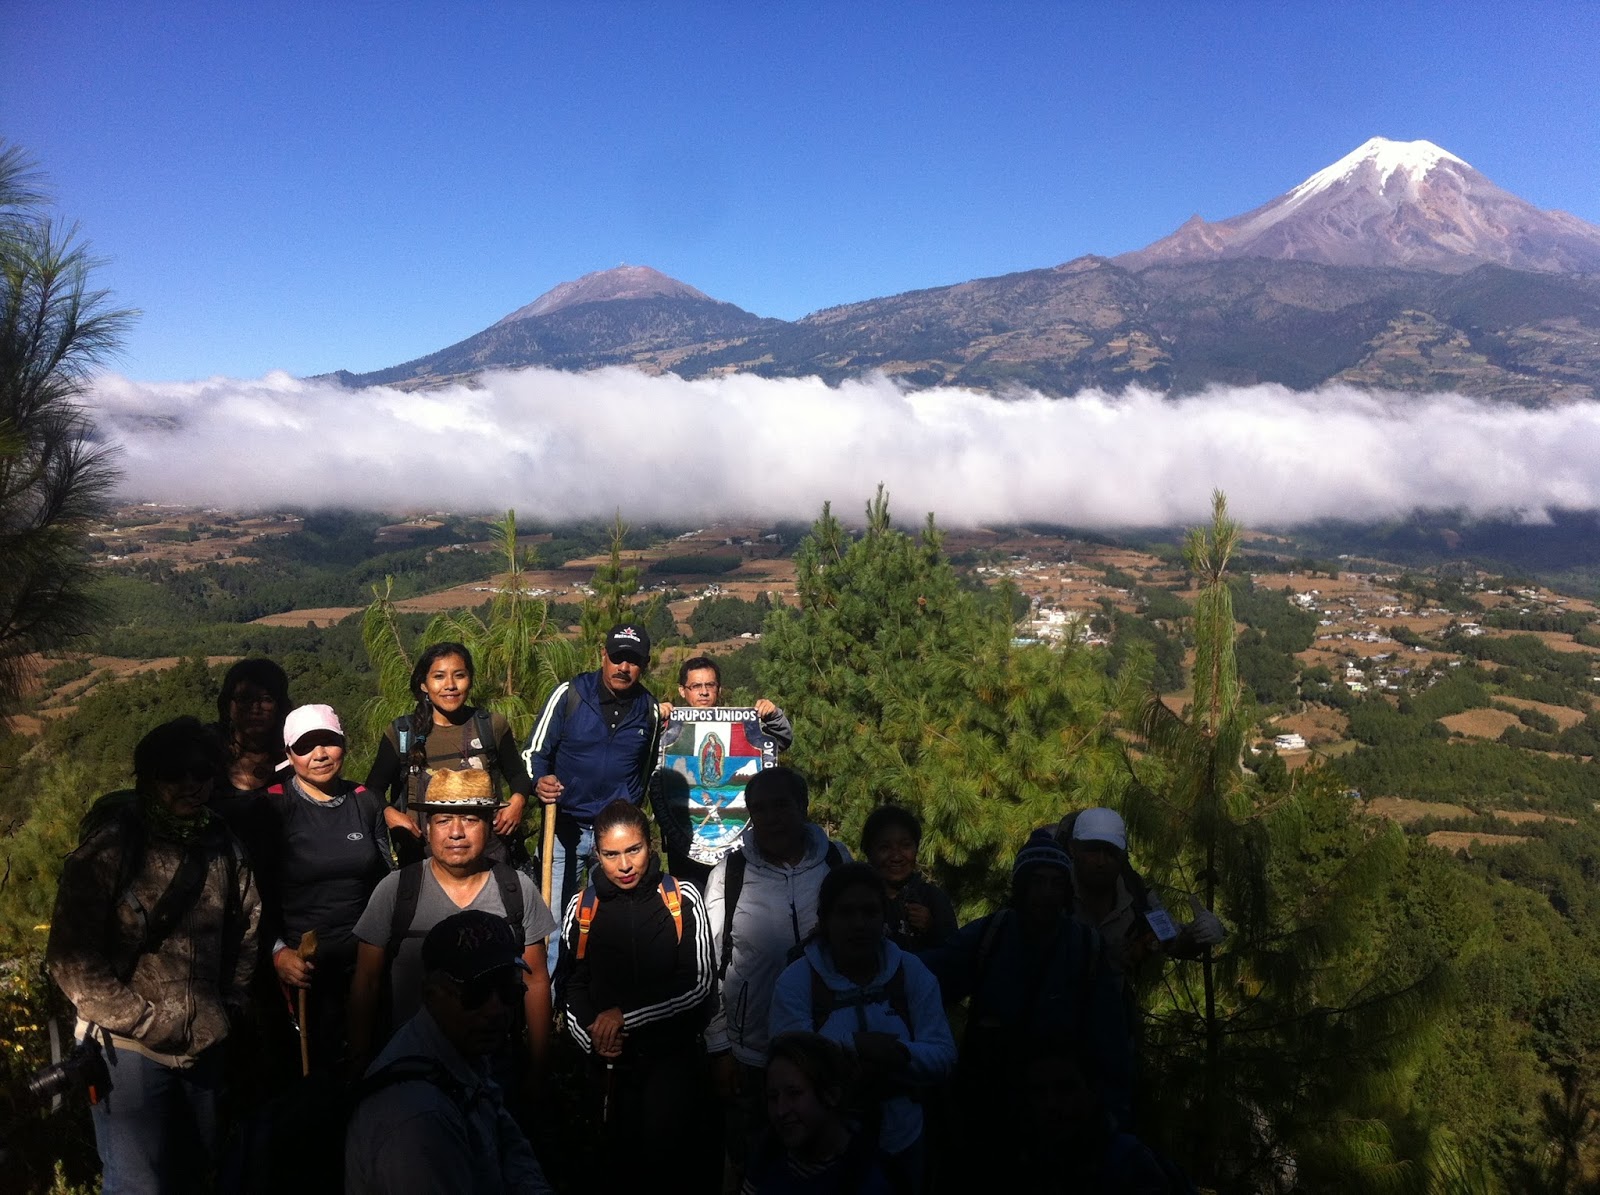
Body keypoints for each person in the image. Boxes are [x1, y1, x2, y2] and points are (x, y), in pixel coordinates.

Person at [45, 717, 261, 1193]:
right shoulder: (110, 849)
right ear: (148, 778)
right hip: (128, 1052)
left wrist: (231, 1001)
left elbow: (247, 921)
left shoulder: (221, 841)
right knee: (137, 1185)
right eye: (173, 773)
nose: (190, 784)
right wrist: (143, 1020)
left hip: (205, 1046)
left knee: (196, 1174)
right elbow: (69, 958)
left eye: (201, 772)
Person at [921, 830, 1132, 1186]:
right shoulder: (991, 935)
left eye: (1055, 883)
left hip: (1060, 1119)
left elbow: (1110, 1044)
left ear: (1067, 891)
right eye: (1037, 882)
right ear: (1020, 886)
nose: (1046, 894)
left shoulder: (1085, 949)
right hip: (988, 1113)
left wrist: (1112, 1120)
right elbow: (926, 978)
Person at [347, 769, 557, 1090]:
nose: (456, 833)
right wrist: (362, 1060)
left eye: (471, 820)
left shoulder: (517, 890)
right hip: (412, 1070)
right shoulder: (396, 890)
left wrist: (538, 1069)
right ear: (428, 828)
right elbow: (367, 979)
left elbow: (537, 979)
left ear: (490, 826)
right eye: (444, 820)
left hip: (495, 1073)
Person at [555, 798, 717, 1182]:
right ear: (596, 853)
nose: (624, 865)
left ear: (651, 844)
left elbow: (697, 983)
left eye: (634, 850)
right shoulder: (581, 908)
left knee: (669, 1169)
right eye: (611, 854)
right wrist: (595, 1036)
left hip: (672, 1065)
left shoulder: (682, 898)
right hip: (606, 1068)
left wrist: (621, 1018)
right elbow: (570, 985)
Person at [768, 863, 956, 1190]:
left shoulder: (911, 972)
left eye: (870, 911)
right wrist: (859, 1045)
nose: (859, 923)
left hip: (904, 1141)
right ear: (825, 919)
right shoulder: (796, 981)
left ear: (884, 917)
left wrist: (897, 1053)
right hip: (822, 1155)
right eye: (846, 912)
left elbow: (944, 1055)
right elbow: (788, 1064)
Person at [706, 766, 850, 1186]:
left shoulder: (836, 862)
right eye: (760, 809)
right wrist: (719, 1049)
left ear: (804, 807)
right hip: (751, 1054)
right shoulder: (730, 875)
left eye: (782, 805)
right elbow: (711, 967)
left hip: (828, 1049)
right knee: (753, 1163)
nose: (771, 817)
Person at [345, 910, 553, 1194]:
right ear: (431, 993)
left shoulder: (463, 1052)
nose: (495, 1010)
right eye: (474, 993)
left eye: (509, 992)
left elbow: (508, 1144)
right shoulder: (417, 1123)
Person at [254, 704, 391, 1074]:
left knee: (369, 1062)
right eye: (305, 746)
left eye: (329, 742)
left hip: (366, 962)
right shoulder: (272, 807)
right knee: (313, 1072)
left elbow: (384, 879)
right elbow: (250, 895)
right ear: (288, 754)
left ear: (343, 745)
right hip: (304, 969)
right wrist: (278, 953)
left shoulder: (366, 801)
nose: (319, 755)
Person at [523, 623, 664, 972]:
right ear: (603, 656)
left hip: (615, 841)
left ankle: (600, 1010)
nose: (623, 667)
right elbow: (533, 753)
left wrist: (629, 812)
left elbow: (646, 771)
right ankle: (546, 1012)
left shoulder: (650, 710)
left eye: (632, 660)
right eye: (617, 658)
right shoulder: (569, 695)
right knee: (550, 929)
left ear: (643, 665)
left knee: (609, 927)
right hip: (563, 831)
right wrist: (540, 782)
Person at [365, 642, 533, 868]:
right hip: (420, 856)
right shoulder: (402, 733)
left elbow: (518, 776)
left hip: (487, 856)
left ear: (470, 680)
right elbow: (372, 789)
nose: (450, 685)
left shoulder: (490, 726)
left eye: (459, 675)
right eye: (439, 677)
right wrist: (390, 814)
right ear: (424, 684)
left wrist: (517, 802)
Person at [651, 654, 793, 890]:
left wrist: (774, 715)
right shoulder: (668, 729)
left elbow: (780, 742)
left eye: (710, 685)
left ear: (719, 689)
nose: (704, 692)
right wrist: (653, 718)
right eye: (696, 686)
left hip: (736, 843)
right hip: (683, 839)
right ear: (682, 691)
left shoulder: (744, 727)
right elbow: (635, 749)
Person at [1057, 808, 1226, 979]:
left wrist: (1199, 935)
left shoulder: (1139, 898)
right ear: (1073, 849)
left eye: (1111, 851)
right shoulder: (1051, 888)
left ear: (1122, 856)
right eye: (1092, 849)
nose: (1101, 861)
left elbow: (1174, 943)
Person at [742, 1032, 895, 1195]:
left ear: (832, 1095)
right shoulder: (770, 1150)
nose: (781, 1110)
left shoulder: (868, 1177)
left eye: (795, 1093)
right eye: (773, 1097)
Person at [208, 657, 291, 847]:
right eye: (245, 699)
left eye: (266, 700)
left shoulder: (296, 756)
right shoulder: (208, 755)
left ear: (280, 706)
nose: (255, 708)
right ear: (228, 705)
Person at [860, 806, 957, 952]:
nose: (896, 857)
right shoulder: (858, 899)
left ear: (916, 849)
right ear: (868, 852)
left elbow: (955, 955)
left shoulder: (933, 899)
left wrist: (932, 927)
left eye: (905, 846)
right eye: (884, 848)